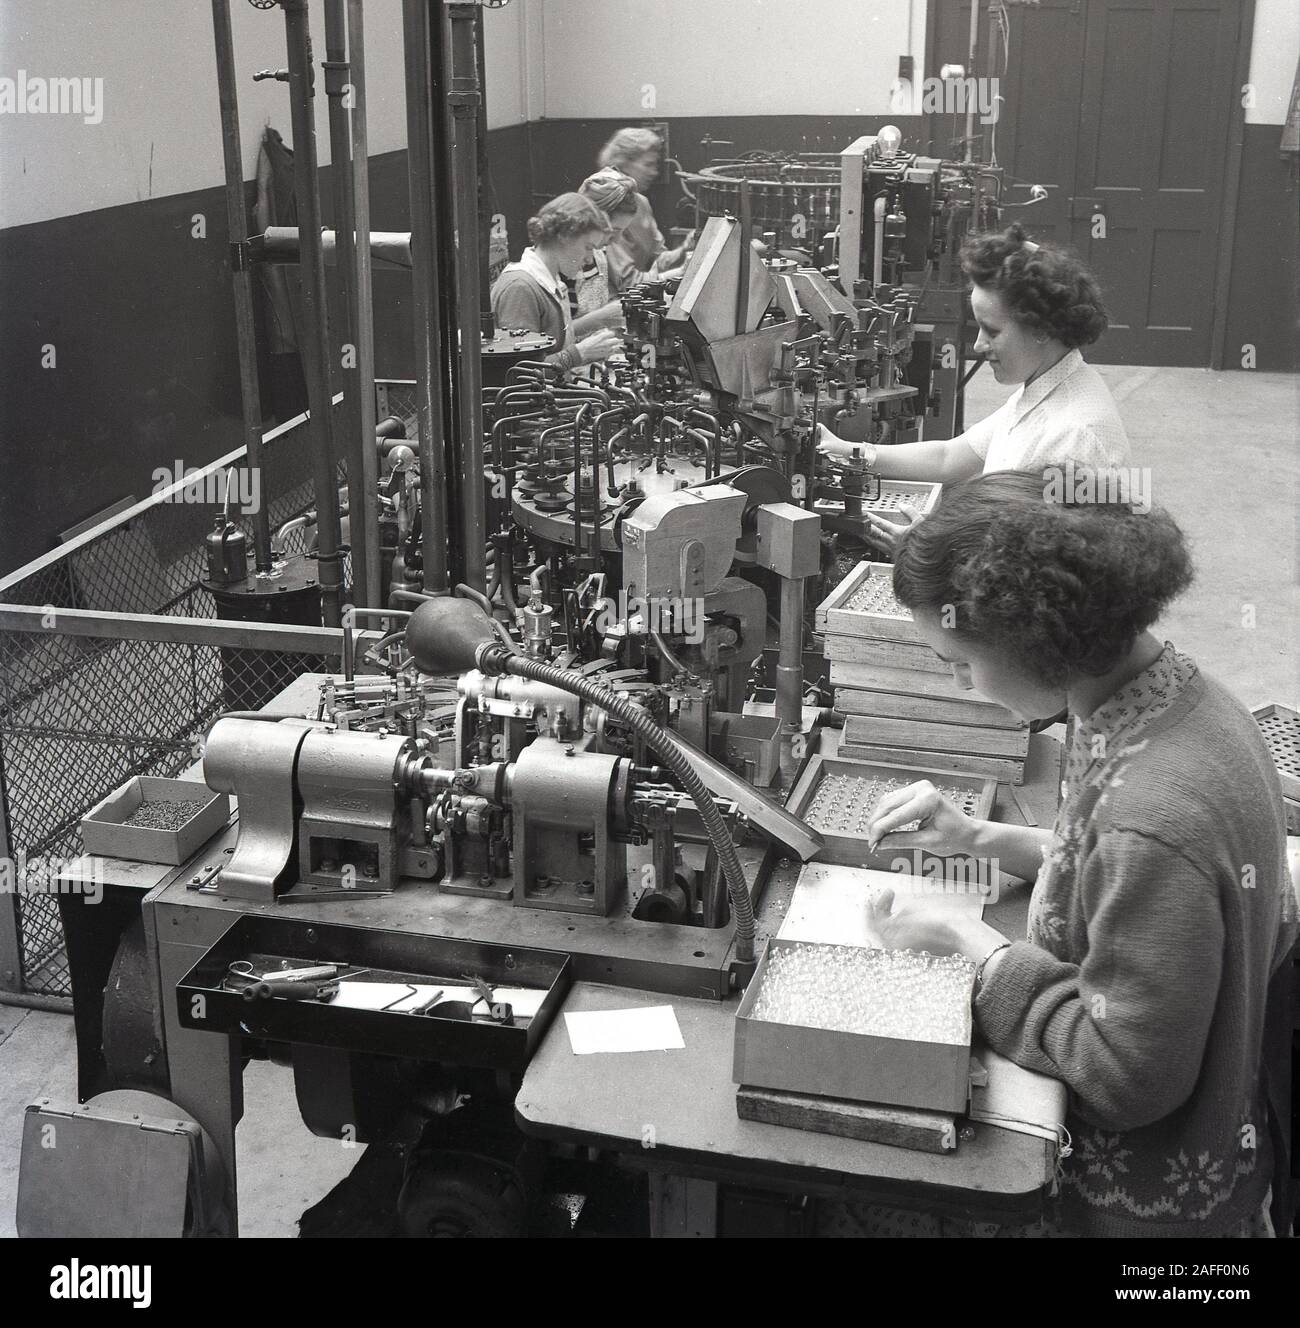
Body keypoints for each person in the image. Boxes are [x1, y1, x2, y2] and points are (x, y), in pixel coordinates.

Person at [829, 471, 1295, 1238]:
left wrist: (973, 950)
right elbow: (1112, 872)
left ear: (1031, 639)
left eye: (958, 660)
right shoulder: (1173, 700)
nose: (963, 685)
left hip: (1140, 1221)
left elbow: (1126, 1077)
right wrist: (977, 839)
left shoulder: (1151, 813)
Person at [817, 223, 1131, 553]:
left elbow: (1040, 574)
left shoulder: (1075, 436)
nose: (978, 345)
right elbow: (949, 457)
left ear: (1041, 330)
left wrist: (929, 557)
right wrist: (847, 451)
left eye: (992, 331)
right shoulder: (1047, 387)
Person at [490, 193, 623, 374]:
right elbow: (520, 374)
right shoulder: (520, 287)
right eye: (588, 247)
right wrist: (579, 354)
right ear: (565, 235)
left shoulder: (553, 283)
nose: (589, 258)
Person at [596, 127, 691, 290]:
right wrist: (681, 272)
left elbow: (657, 259)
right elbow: (626, 283)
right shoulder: (609, 207)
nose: (654, 172)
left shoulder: (642, 203)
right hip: (613, 304)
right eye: (648, 164)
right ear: (623, 163)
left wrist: (684, 250)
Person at [567, 168, 642, 337]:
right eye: (613, 230)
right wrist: (600, 319)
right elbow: (550, 336)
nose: (616, 239)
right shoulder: (563, 262)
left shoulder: (599, 255)